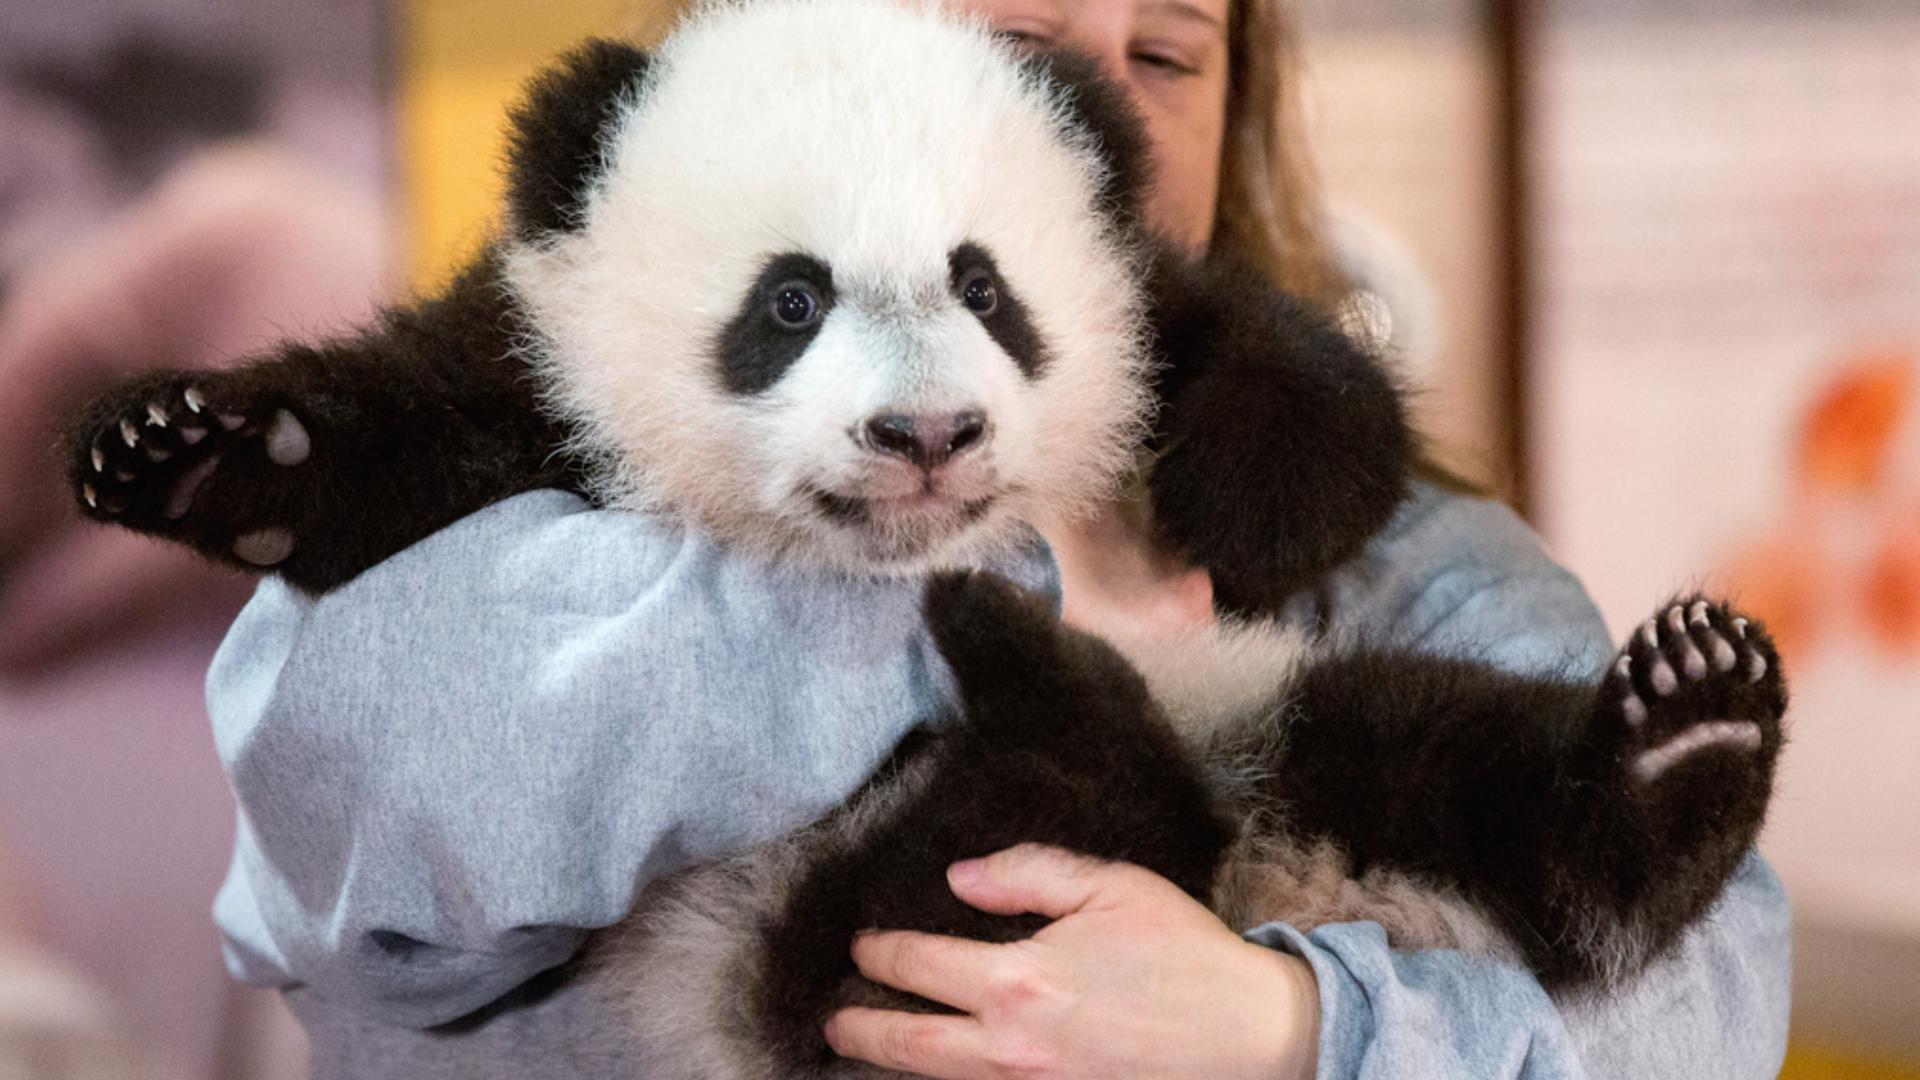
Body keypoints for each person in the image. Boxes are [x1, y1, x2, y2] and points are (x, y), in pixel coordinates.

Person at [47, 0, 1795, 1078]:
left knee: (1358, 730)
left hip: (1193, 790)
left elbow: (1709, 1025)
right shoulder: (596, 350)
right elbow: (356, 904)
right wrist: (1001, 600)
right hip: (840, 949)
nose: (1091, 103)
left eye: (1171, 52)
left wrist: (1281, 1033)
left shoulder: (1403, 543)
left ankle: (1594, 827)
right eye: (1020, 46)